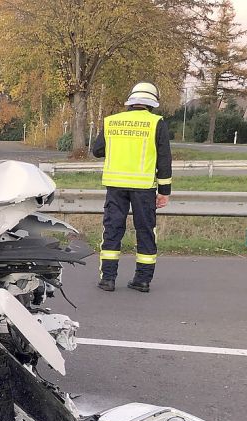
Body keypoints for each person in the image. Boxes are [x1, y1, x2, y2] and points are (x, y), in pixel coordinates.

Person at [91, 82, 172, 293]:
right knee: (145, 231)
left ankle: (108, 279)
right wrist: (164, 192)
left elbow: (97, 150)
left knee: (112, 230)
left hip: (115, 186)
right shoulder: (156, 123)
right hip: (143, 188)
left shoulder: (112, 122)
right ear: (151, 103)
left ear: (131, 101)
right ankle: (142, 280)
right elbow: (164, 160)